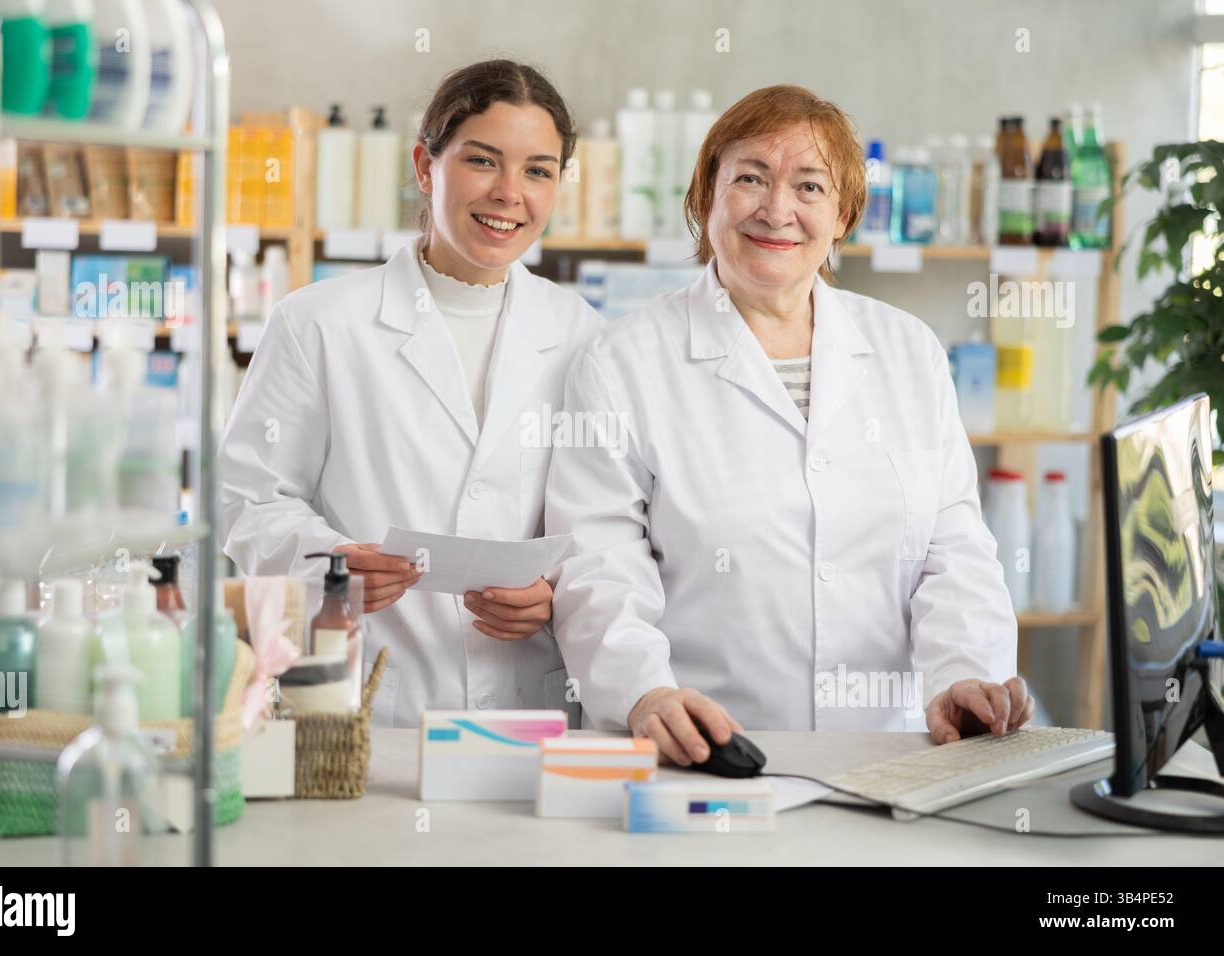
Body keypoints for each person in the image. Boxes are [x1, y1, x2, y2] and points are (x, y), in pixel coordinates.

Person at [545, 84, 1034, 766]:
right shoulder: (623, 360)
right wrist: (643, 692)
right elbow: (599, 567)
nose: (778, 210)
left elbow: (952, 549)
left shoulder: (907, 350)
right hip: (708, 748)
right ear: (704, 197)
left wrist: (963, 676)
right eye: (750, 178)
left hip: (890, 754)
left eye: (809, 186)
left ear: (844, 215)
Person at [218, 60, 601, 725]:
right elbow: (247, 499)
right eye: (483, 161)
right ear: (426, 167)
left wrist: (560, 593)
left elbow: (606, 522)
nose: (510, 193)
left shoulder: (583, 334)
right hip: (369, 699)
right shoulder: (318, 323)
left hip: (531, 707)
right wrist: (331, 564)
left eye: (538, 170)